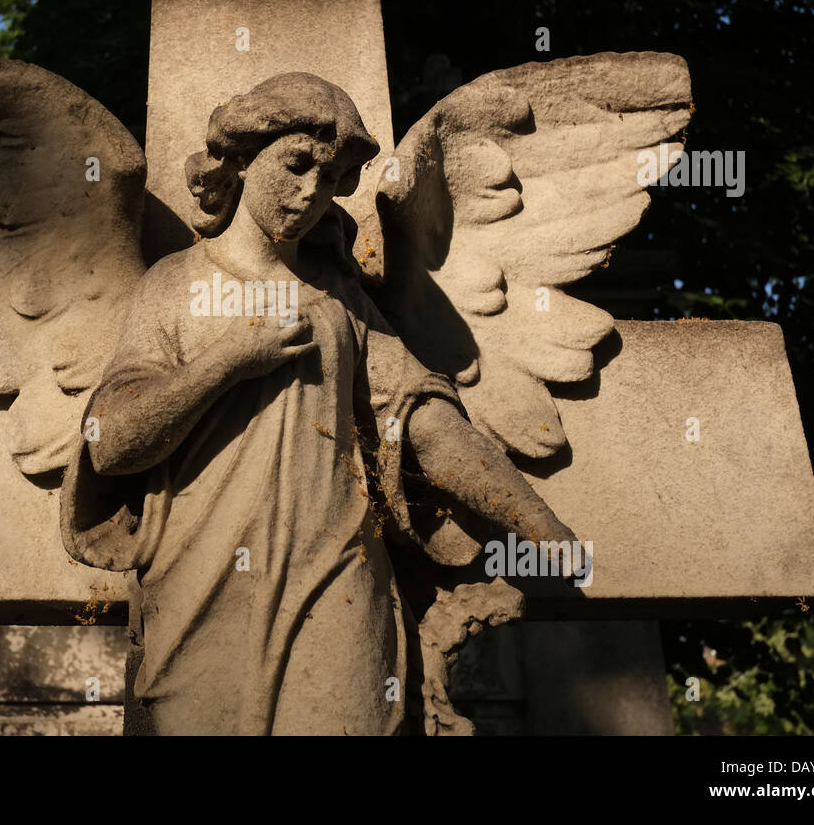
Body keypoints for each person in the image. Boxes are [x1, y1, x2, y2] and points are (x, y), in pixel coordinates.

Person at [61, 72, 577, 734]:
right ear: (241, 161)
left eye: (330, 178)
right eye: (296, 164)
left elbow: (422, 420)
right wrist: (226, 363)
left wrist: (534, 521)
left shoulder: (340, 301)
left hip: (341, 572)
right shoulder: (177, 288)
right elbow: (111, 441)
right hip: (203, 585)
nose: (310, 192)